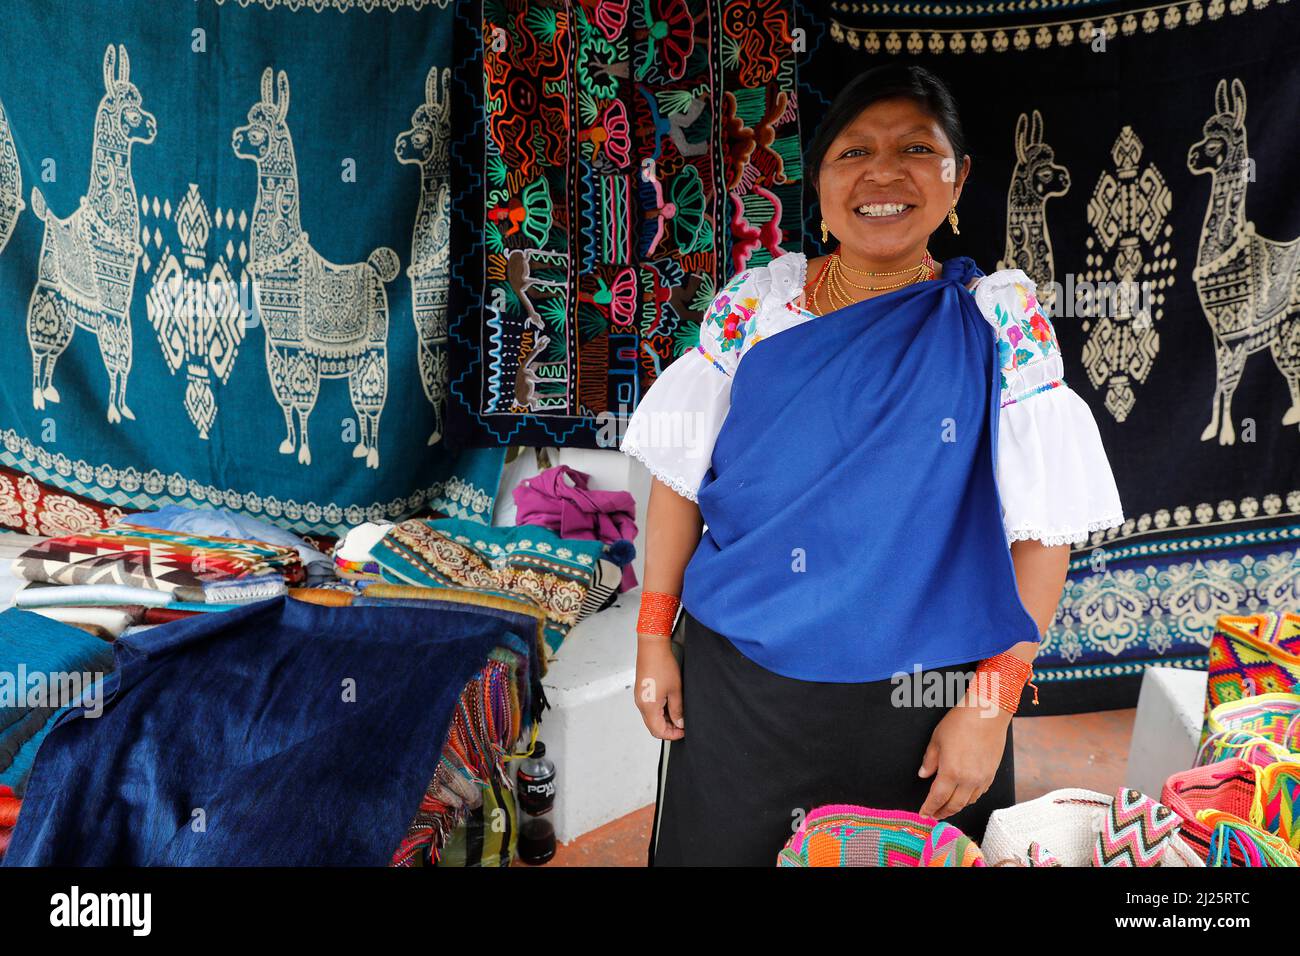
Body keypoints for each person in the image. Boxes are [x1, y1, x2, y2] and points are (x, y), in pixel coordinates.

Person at [619, 63, 1125, 867]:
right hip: (743, 688)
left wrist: (989, 706)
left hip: (921, 709)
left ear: (958, 181)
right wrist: (653, 639)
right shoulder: (754, 307)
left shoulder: (1002, 322)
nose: (884, 173)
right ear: (818, 184)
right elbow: (679, 483)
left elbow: (1043, 534)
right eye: (853, 153)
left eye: (918, 149)